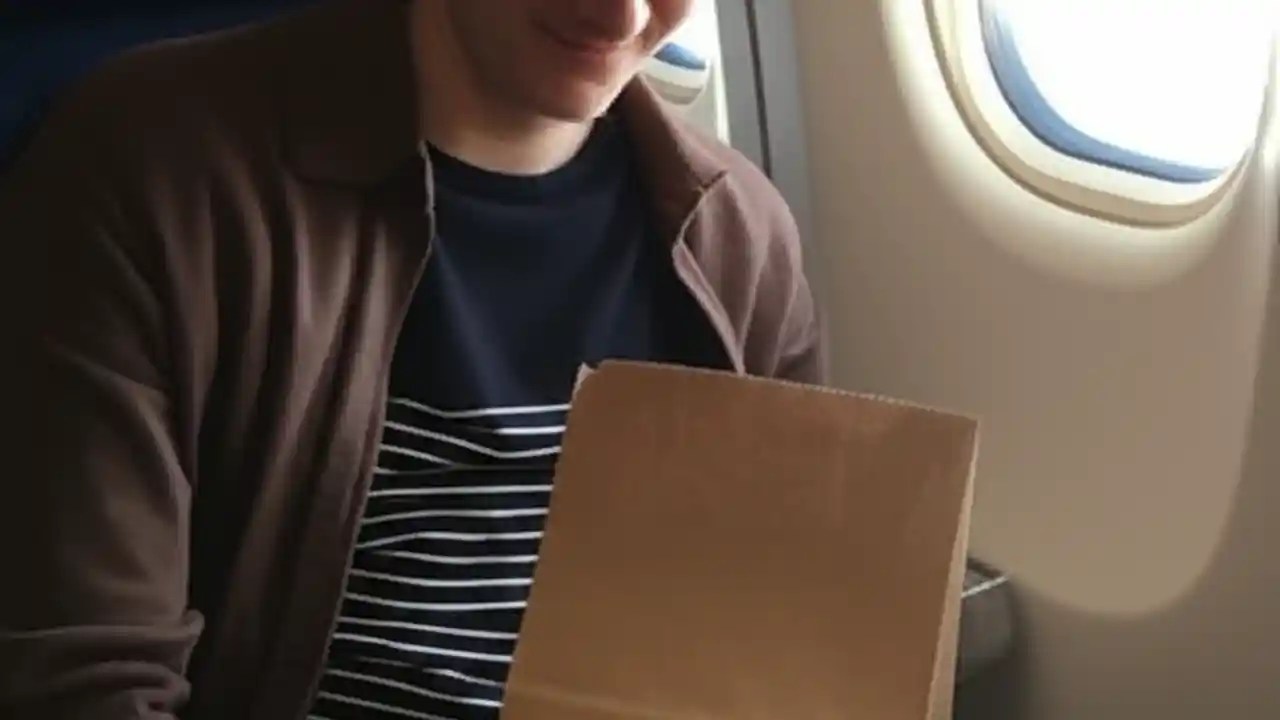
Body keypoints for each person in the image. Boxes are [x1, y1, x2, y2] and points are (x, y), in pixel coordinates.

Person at [0, 0, 825, 718]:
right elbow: (85, 680)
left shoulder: (739, 239)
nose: (622, 15)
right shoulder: (154, 166)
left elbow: (785, 642)